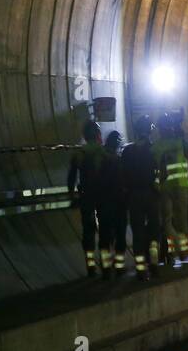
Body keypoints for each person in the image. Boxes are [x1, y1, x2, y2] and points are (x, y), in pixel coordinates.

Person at [121, 114, 160, 281]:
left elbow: (122, 175)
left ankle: (141, 270)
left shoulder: (127, 151)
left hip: (134, 196)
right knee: (153, 231)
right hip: (151, 195)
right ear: (149, 131)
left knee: (137, 232)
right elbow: (159, 173)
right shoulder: (153, 150)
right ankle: (154, 265)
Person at [155, 111, 188, 266]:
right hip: (182, 187)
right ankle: (184, 252)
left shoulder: (155, 146)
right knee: (182, 221)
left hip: (164, 188)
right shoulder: (181, 142)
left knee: (167, 222)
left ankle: (171, 254)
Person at [67, 120, 104, 277]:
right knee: (106, 231)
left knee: (88, 232)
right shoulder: (103, 152)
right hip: (103, 197)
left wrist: (72, 195)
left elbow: (71, 178)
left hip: (86, 197)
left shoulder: (79, 154)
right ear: (97, 134)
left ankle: (90, 267)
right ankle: (106, 264)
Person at [97, 131, 127, 279]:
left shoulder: (101, 160)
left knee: (105, 238)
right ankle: (119, 267)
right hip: (118, 204)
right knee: (120, 236)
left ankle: (106, 269)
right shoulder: (118, 161)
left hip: (104, 205)